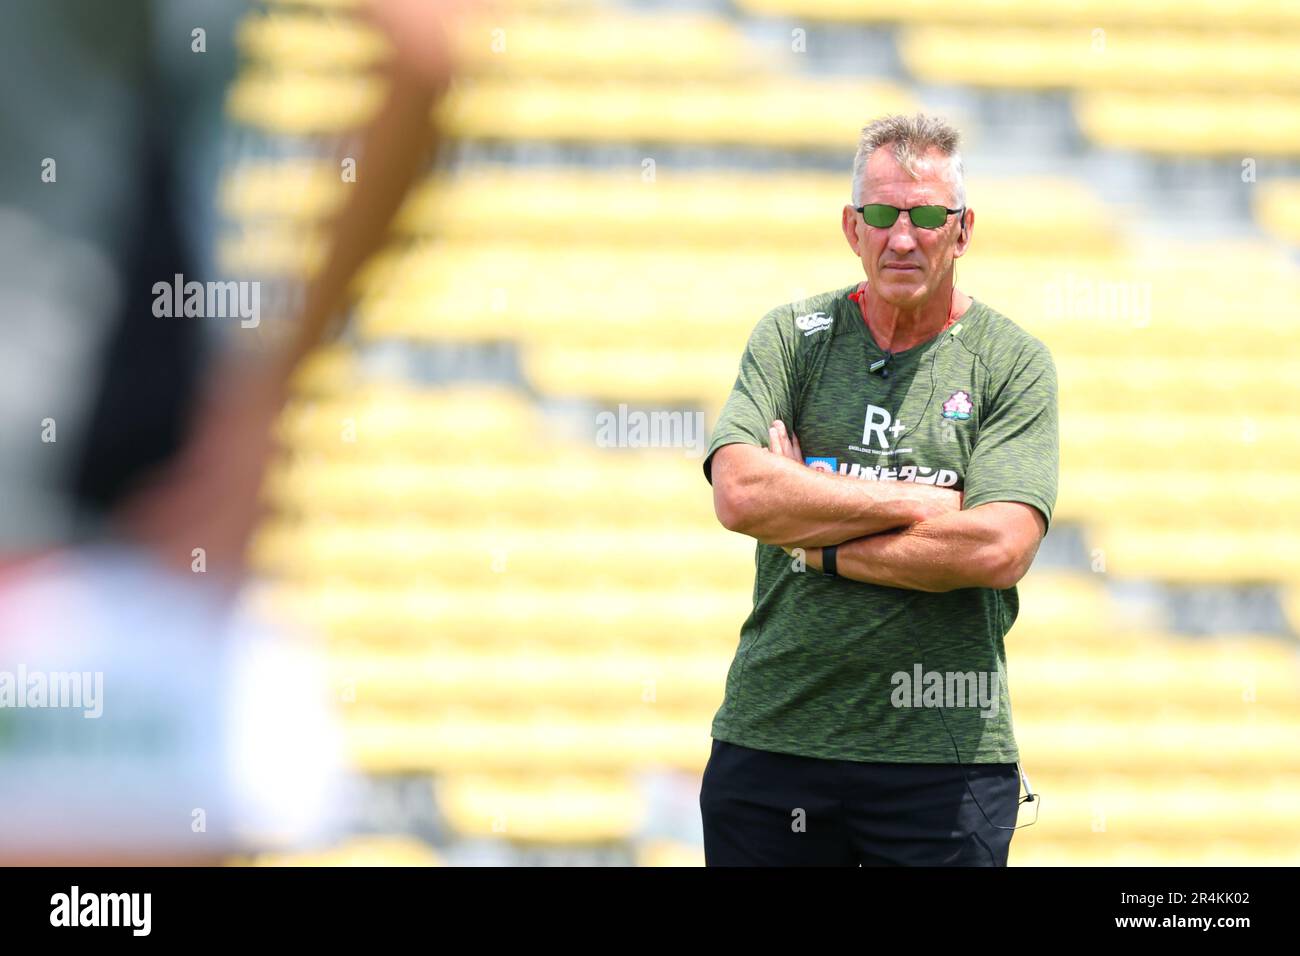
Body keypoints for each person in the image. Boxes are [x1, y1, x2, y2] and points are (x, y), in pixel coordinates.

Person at [699, 113, 1058, 866]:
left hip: (945, 758)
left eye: (927, 216)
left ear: (960, 231)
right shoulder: (792, 337)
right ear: (850, 227)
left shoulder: (1011, 362)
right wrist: (920, 504)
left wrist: (814, 535)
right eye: (883, 215)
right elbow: (741, 496)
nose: (903, 237)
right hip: (774, 741)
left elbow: (996, 546)